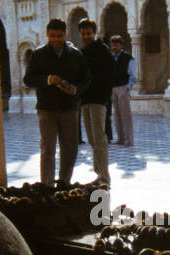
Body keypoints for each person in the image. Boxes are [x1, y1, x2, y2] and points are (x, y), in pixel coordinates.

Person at [23, 18, 89, 185]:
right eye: (52, 36)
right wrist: (47, 80)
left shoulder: (75, 54)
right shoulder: (38, 54)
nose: (56, 40)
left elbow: (86, 78)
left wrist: (76, 88)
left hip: (69, 108)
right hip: (47, 108)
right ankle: (47, 185)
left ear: (65, 34)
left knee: (70, 149)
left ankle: (64, 182)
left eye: (59, 36)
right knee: (48, 149)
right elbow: (28, 79)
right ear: (47, 35)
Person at [78, 18, 115, 186]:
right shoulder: (82, 52)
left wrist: (104, 97)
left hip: (98, 100)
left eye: (89, 33)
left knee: (99, 138)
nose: (86, 36)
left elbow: (109, 75)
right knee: (92, 139)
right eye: (83, 33)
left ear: (94, 33)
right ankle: (99, 174)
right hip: (85, 100)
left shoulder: (102, 50)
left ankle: (104, 178)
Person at [109, 35, 136, 147]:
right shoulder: (110, 57)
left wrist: (128, 87)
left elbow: (133, 75)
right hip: (113, 88)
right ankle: (120, 138)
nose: (115, 47)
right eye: (113, 44)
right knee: (116, 115)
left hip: (123, 87)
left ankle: (128, 139)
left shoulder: (127, 58)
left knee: (125, 115)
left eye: (117, 44)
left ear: (121, 45)